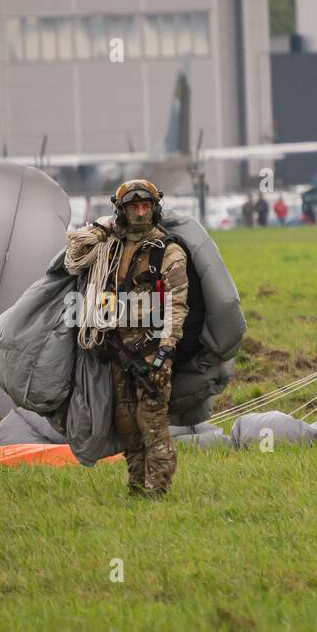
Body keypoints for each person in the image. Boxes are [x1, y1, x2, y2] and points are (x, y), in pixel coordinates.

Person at [64, 179, 189, 497]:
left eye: (145, 206)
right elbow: (74, 253)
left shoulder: (167, 251)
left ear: (155, 208)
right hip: (116, 348)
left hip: (151, 350)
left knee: (151, 421)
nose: (140, 212)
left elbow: (177, 304)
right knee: (126, 423)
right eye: (133, 207)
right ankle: (135, 485)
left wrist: (166, 350)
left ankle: (157, 489)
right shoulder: (109, 246)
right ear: (121, 210)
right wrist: (100, 230)